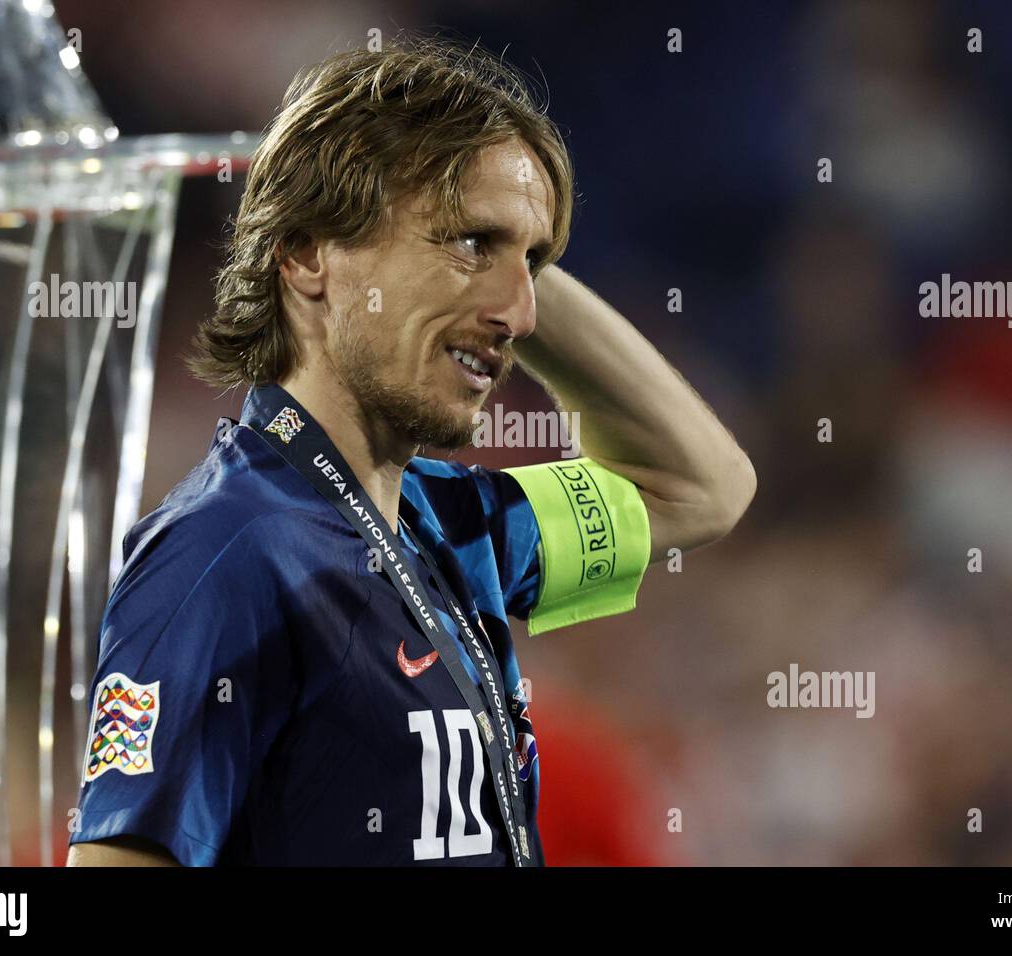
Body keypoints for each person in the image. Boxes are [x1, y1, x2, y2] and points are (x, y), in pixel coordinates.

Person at [66, 37, 755, 866]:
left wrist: (506, 243)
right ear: (310, 252)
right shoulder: (223, 556)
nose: (524, 316)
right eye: (467, 242)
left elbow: (701, 489)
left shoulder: (458, 529)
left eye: (533, 264)